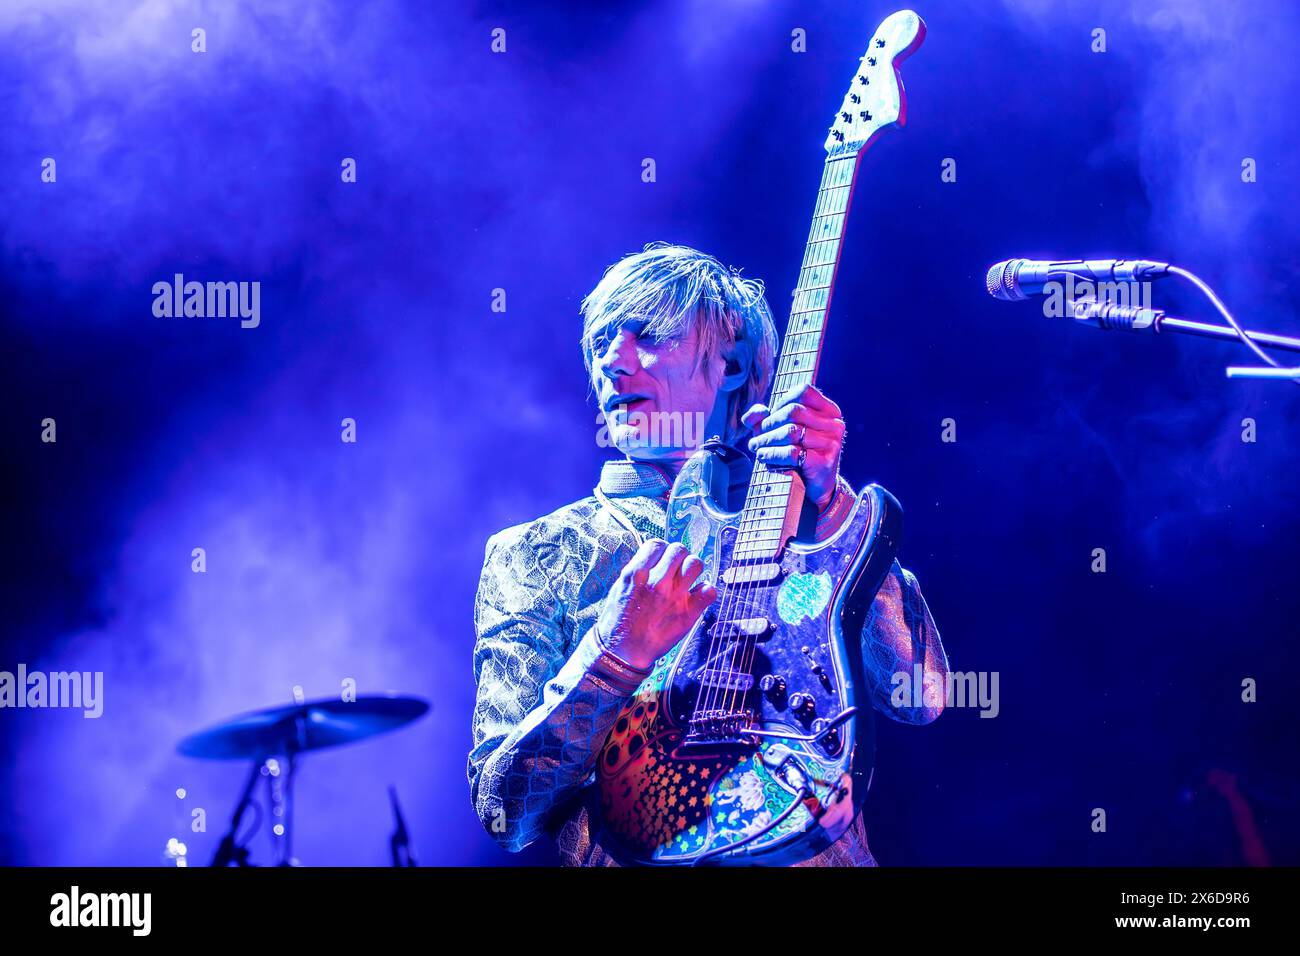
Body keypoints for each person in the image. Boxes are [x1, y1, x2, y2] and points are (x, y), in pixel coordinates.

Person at [469, 243, 949, 865]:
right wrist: (612, 658)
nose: (613, 363)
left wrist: (829, 507)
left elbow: (922, 694)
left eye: (647, 336)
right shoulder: (535, 553)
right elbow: (504, 811)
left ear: (733, 365)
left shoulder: (813, 522)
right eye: (599, 345)